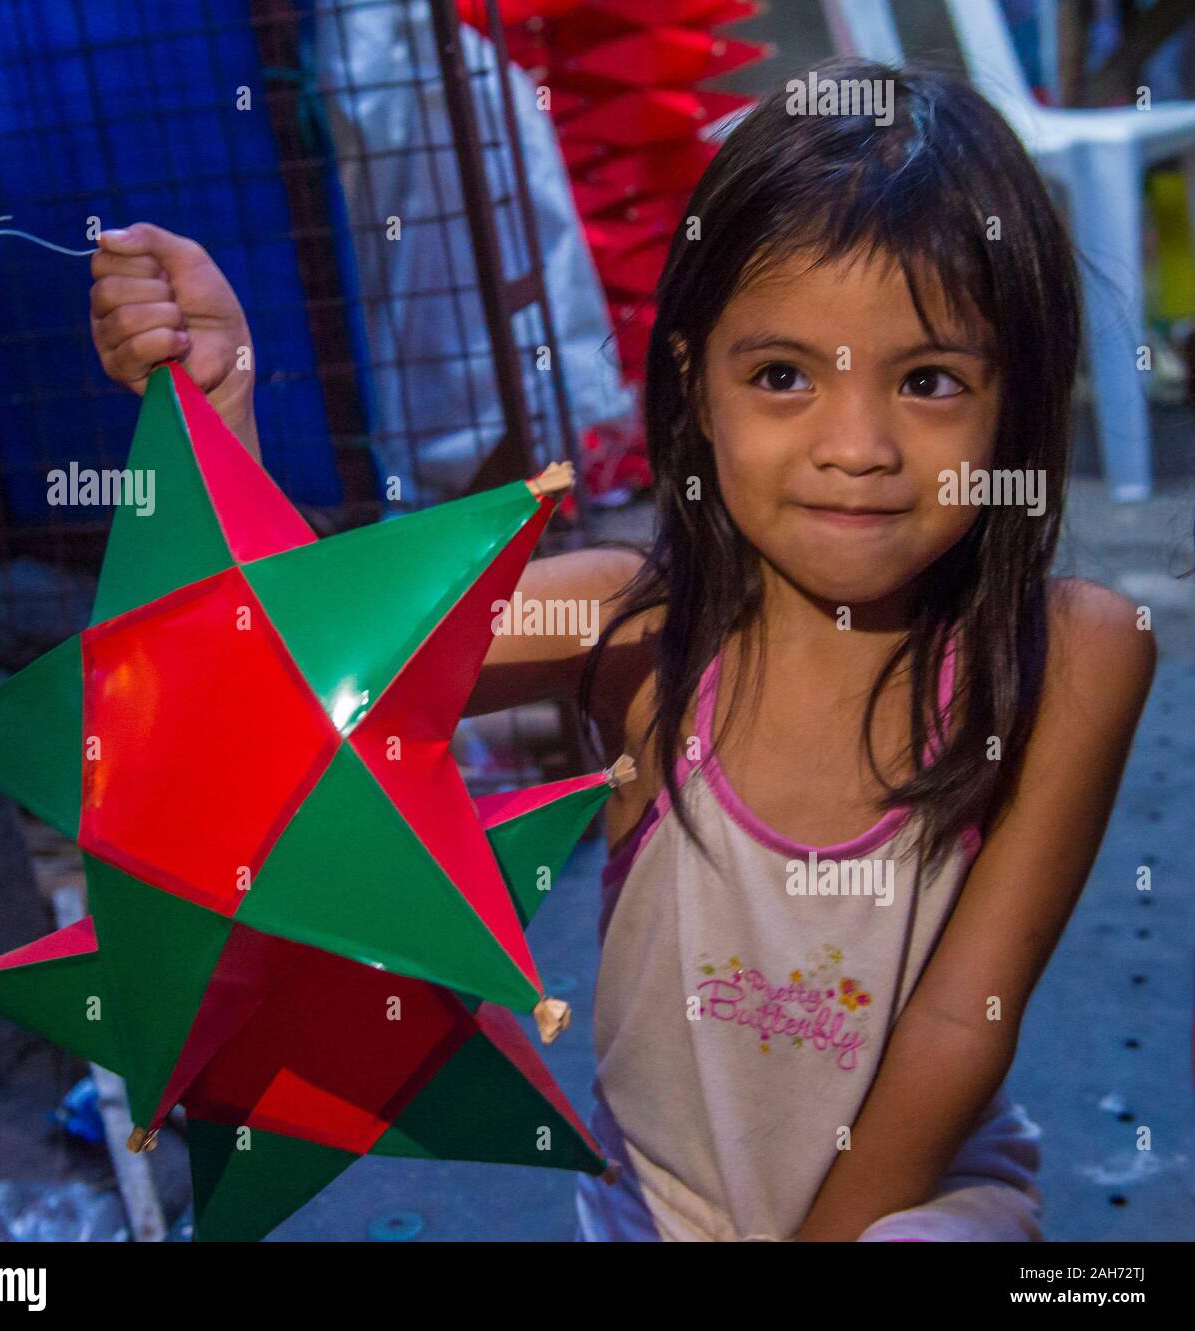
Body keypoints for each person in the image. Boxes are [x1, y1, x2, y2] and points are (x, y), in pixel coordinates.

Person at [88, 58, 1156, 1242]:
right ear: (695, 387)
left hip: (920, 1203)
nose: (856, 445)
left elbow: (964, 1019)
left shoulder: (1069, 654)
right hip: (650, 1213)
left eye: (930, 380)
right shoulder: (623, 620)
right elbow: (284, 671)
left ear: (1019, 403)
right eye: (783, 375)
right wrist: (217, 414)